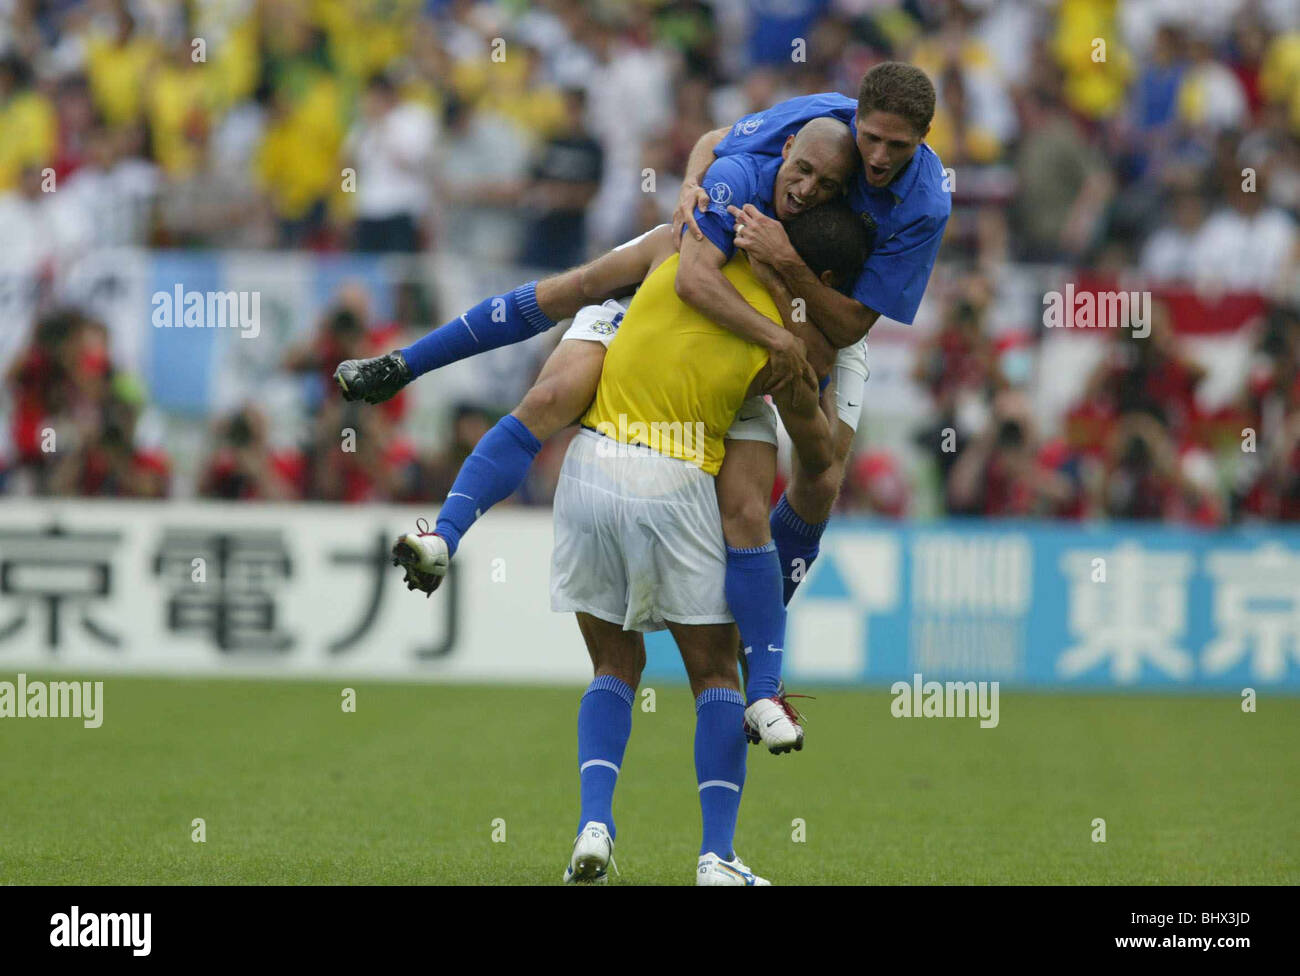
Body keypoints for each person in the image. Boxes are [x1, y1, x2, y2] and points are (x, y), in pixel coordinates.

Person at [340, 61, 948, 737]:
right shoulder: (799, 130)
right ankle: (409, 381)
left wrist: (784, 269)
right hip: (712, 276)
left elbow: (851, 326)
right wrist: (691, 183)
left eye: (900, 146)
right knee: (561, 375)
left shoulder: (926, 202)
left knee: (821, 474)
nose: (881, 156)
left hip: (811, 308)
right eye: (872, 138)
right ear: (849, 120)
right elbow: (714, 147)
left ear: (925, 138)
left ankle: (762, 671)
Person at [426, 201, 868, 884]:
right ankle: (719, 850)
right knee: (716, 673)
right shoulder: (788, 328)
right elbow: (817, 460)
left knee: (612, 667)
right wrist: (807, 373)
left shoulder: (679, 254)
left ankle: (594, 827)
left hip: (588, 470)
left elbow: (571, 304)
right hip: (678, 477)